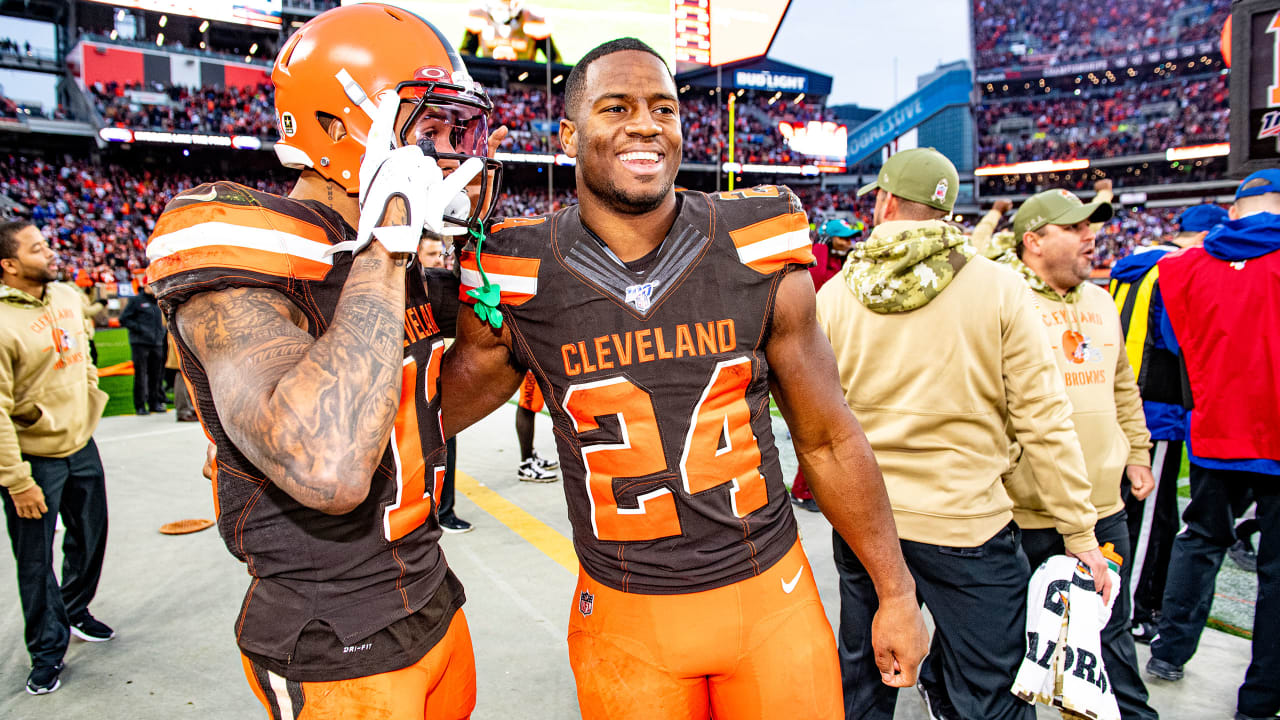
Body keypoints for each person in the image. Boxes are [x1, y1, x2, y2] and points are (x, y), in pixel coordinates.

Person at [442, 37, 928, 719]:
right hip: (626, 617)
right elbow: (429, 413)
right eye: (617, 107)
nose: (646, 124)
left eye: (663, 108)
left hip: (771, 602)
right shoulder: (516, 271)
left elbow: (828, 440)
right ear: (569, 134)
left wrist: (896, 592)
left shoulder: (754, 241)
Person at [144, 4, 502, 716]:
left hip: (430, 594)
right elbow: (328, 466)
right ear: (335, 127)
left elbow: (424, 414)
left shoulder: (407, 258)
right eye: (428, 130)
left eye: (459, 132)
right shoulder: (242, 235)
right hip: (333, 634)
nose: (455, 156)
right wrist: (387, 239)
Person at [816, 148, 1109, 720]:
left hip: (867, 521)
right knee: (994, 690)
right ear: (947, 212)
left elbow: (818, 426)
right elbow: (1044, 420)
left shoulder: (833, 296)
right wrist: (1080, 532)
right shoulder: (998, 288)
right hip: (966, 521)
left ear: (885, 201)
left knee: (865, 681)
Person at [1004, 188, 1157, 719]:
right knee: (1009, 642)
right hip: (1022, 513)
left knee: (1110, 630)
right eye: (1075, 228)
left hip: (1102, 507)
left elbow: (1121, 384)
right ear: (1035, 241)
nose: (1091, 237)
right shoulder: (1007, 303)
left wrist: (1137, 450)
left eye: (1092, 226)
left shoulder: (1100, 300)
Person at [1146, 170, 1280, 720]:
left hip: (1213, 430)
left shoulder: (1181, 270)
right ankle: (1262, 697)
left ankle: (1170, 652)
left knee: (1199, 541)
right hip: (1272, 434)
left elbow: (1173, 346)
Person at [0, 220, 112, 695]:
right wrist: (16, 479)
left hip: (81, 443)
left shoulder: (66, 295)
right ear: (9, 264)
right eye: (38, 248)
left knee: (90, 538)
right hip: (34, 461)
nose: (50, 252)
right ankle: (47, 651)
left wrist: (89, 395)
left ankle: (75, 609)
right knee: (34, 560)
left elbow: (84, 352)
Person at [1107, 202, 1228, 642]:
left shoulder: (1134, 267)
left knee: (1138, 515)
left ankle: (1132, 603)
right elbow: (1185, 343)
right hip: (1157, 411)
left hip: (1123, 403)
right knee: (1148, 521)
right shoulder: (1176, 272)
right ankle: (1136, 610)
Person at [421, 236, 473, 534]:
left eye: (441, 255)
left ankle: (444, 509)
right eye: (431, 255)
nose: (439, 262)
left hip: (433, 386)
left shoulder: (440, 291)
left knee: (445, 440)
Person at [118, 280, 167, 415]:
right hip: (140, 343)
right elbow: (124, 319)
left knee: (155, 375)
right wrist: (139, 329)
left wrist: (161, 333)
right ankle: (140, 405)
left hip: (156, 342)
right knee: (141, 375)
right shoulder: (136, 301)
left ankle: (154, 402)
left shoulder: (158, 301)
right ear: (145, 286)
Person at [514, 370, 559, 482]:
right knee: (528, 405)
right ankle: (526, 464)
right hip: (529, 359)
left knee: (529, 405)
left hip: (534, 359)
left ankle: (530, 455)